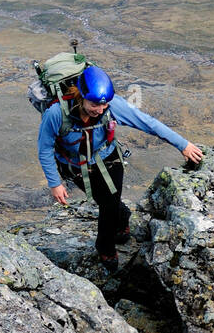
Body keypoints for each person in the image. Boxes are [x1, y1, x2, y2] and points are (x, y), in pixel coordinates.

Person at [37, 65, 203, 266]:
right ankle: (123, 216)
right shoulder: (56, 114)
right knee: (106, 200)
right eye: (94, 105)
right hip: (73, 165)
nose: (100, 110)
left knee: (109, 202)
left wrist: (183, 144)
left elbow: (148, 123)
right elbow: (45, 149)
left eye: (104, 105)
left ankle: (105, 248)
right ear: (81, 96)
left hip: (108, 158)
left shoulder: (113, 106)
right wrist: (55, 183)